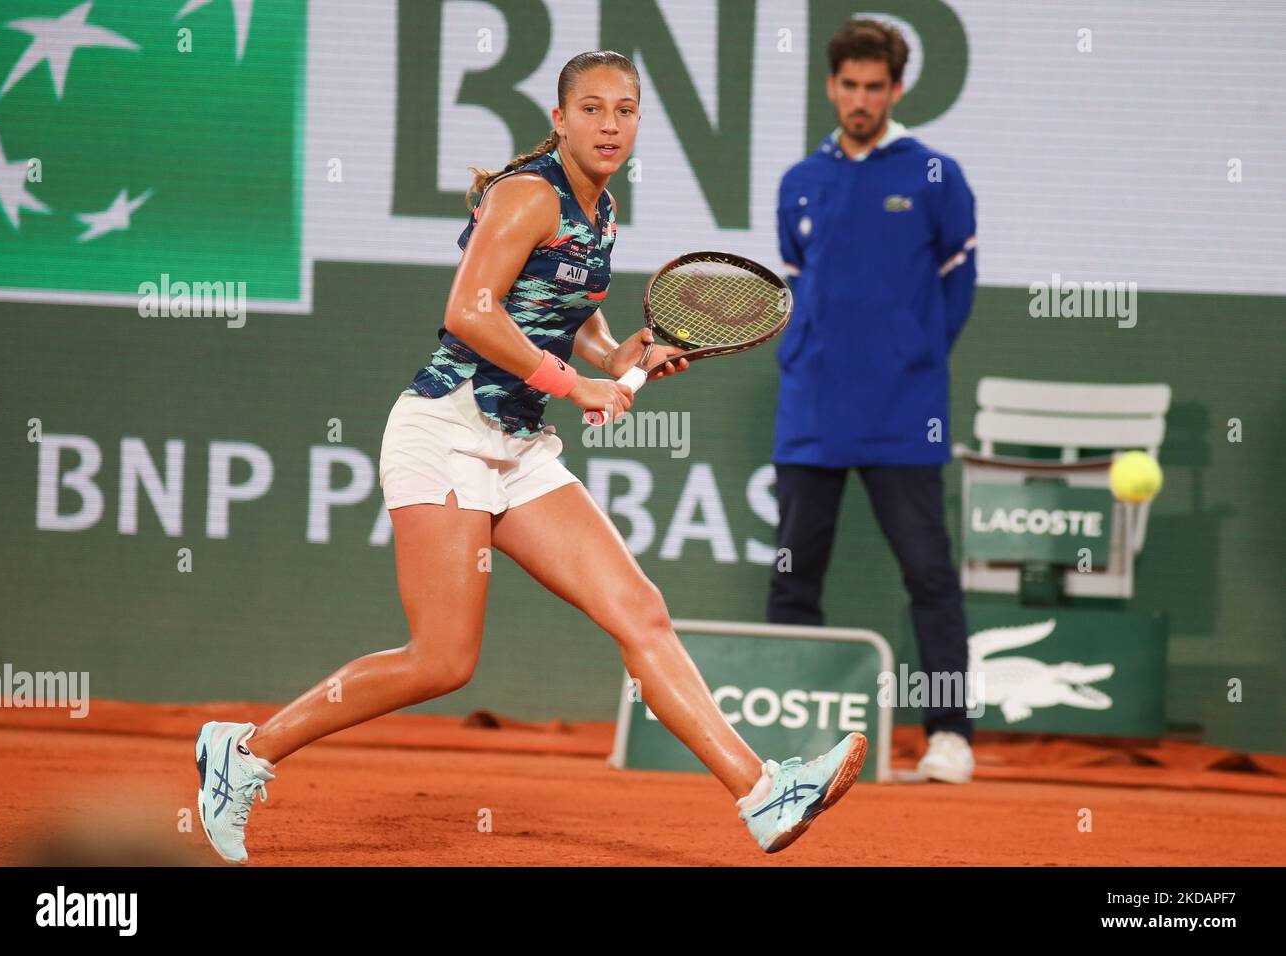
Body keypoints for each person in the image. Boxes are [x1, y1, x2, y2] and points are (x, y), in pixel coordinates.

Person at [194, 51, 866, 863]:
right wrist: (576, 387)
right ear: (559, 118)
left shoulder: (602, 208)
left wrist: (624, 354)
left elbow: (571, 313)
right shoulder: (527, 194)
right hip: (445, 429)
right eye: (591, 108)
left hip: (516, 445)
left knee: (639, 610)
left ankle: (763, 793)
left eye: (625, 110)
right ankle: (243, 753)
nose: (609, 124)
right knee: (441, 661)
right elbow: (470, 310)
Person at [766, 20, 978, 783]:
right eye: (848, 85)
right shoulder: (799, 181)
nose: (860, 99)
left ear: (896, 89)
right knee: (793, 576)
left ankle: (950, 735)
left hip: (903, 413)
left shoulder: (936, 176)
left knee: (929, 574)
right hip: (812, 411)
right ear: (832, 86)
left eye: (874, 87)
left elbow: (958, 286)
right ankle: (792, 737)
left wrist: (912, 357)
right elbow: (798, 284)